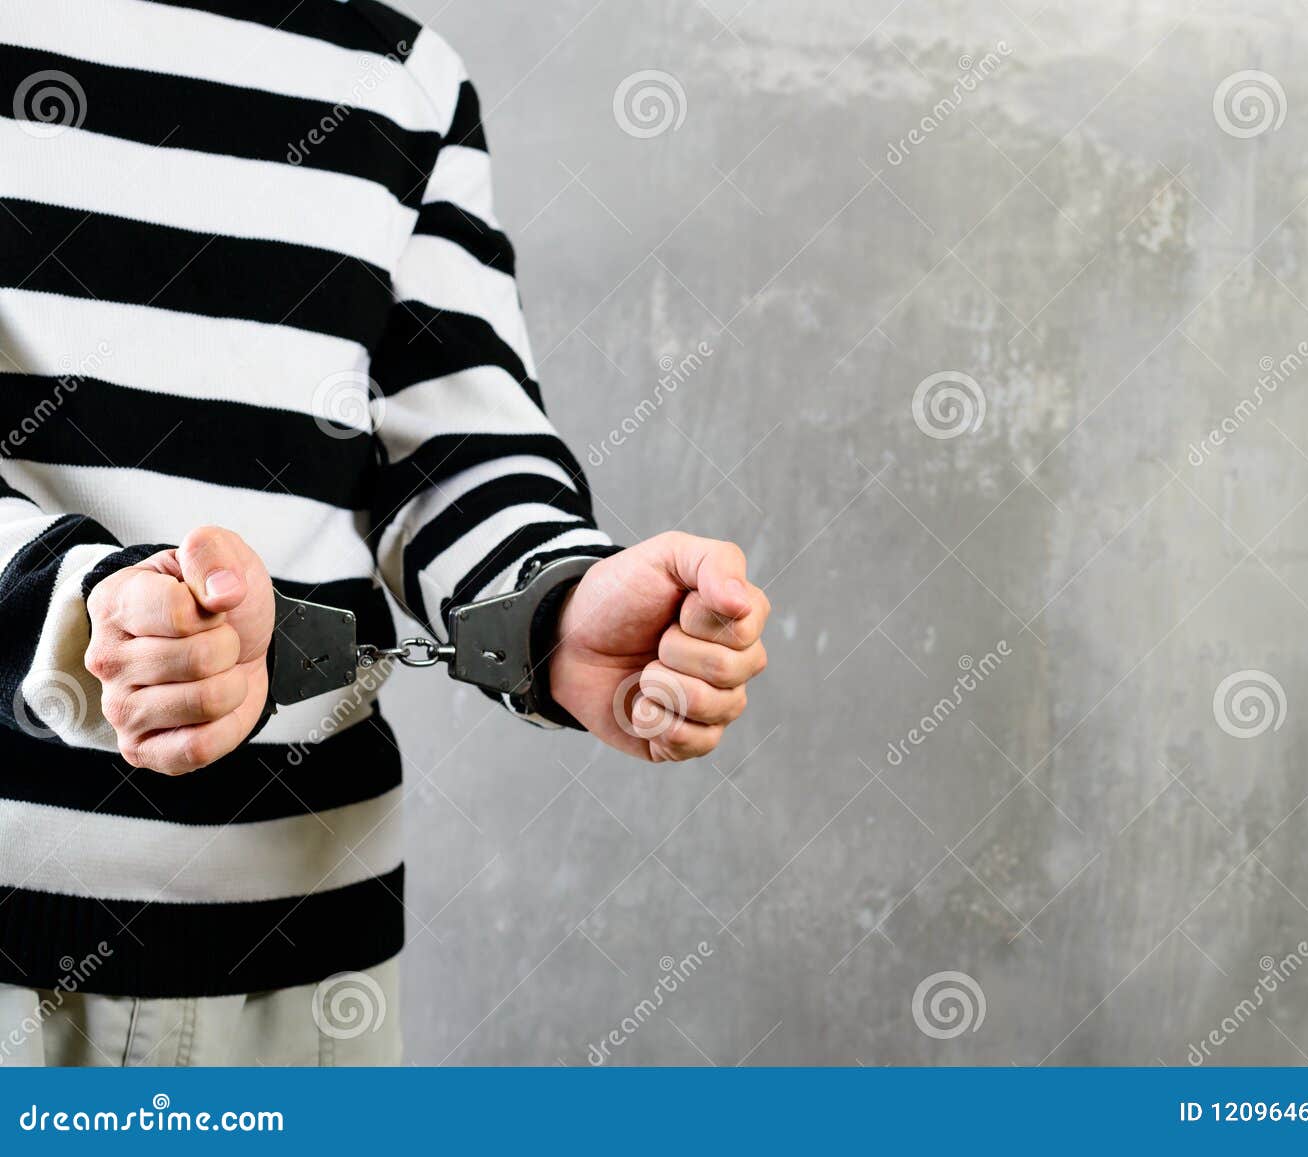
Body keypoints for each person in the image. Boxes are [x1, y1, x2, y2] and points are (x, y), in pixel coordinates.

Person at [0, 0, 769, 1065]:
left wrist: (553, 605)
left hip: (308, 954)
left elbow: (454, 445)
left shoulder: (404, 78)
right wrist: (85, 614)